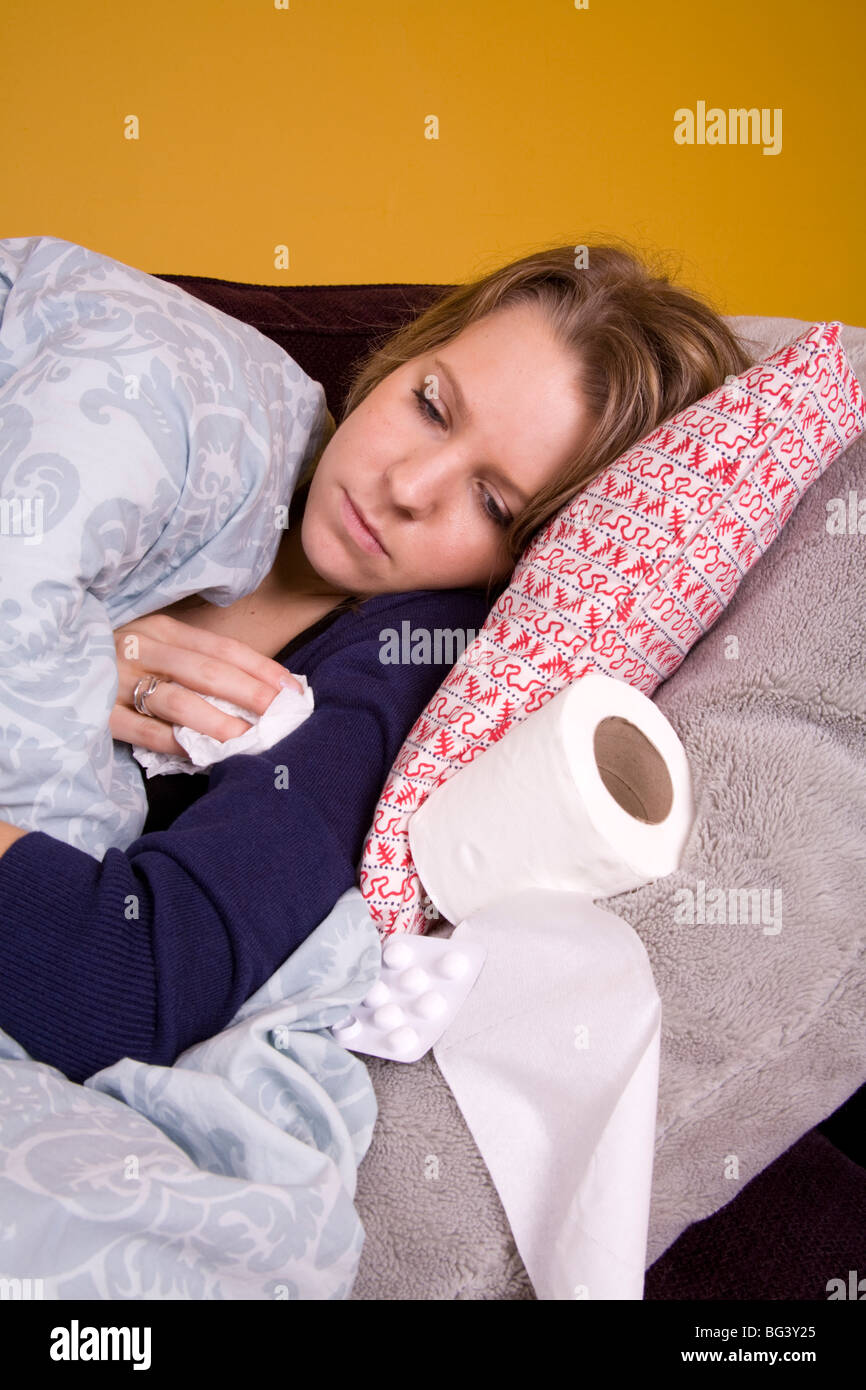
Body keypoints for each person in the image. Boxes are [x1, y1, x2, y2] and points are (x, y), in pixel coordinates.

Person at [0, 241, 752, 1083]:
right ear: (405, 356)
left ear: (538, 557)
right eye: (432, 405)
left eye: (491, 501)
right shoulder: (213, 418)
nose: (407, 484)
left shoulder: (401, 679)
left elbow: (122, 980)